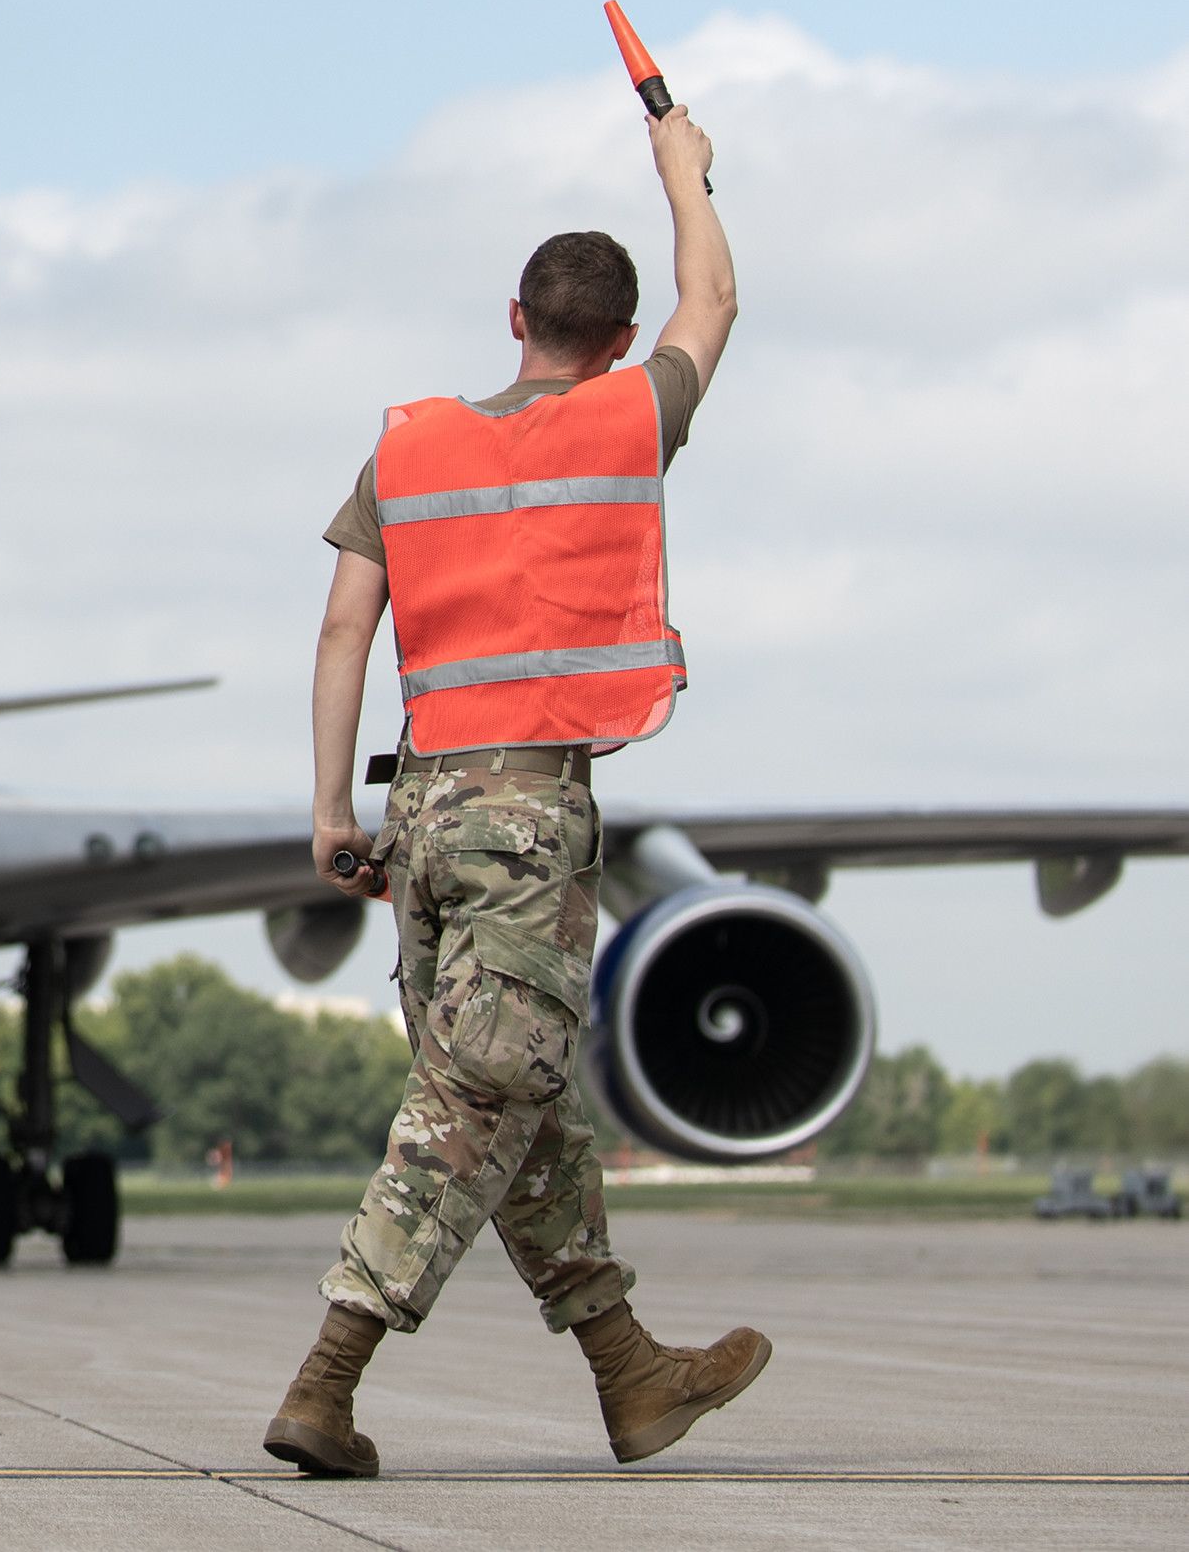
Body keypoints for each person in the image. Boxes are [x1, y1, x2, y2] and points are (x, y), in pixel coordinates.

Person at [261, 97, 769, 1479]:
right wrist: (686, 171)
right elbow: (713, 293)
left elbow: (340, 630)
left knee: (518, 1096)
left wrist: (330, 812)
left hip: (417, 815)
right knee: (478, 1099)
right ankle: (324, 1377)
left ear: (513, 319)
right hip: (529, 821)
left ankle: (633, 1376)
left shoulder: (409, 450)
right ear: (614, 341)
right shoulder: (625, 420)